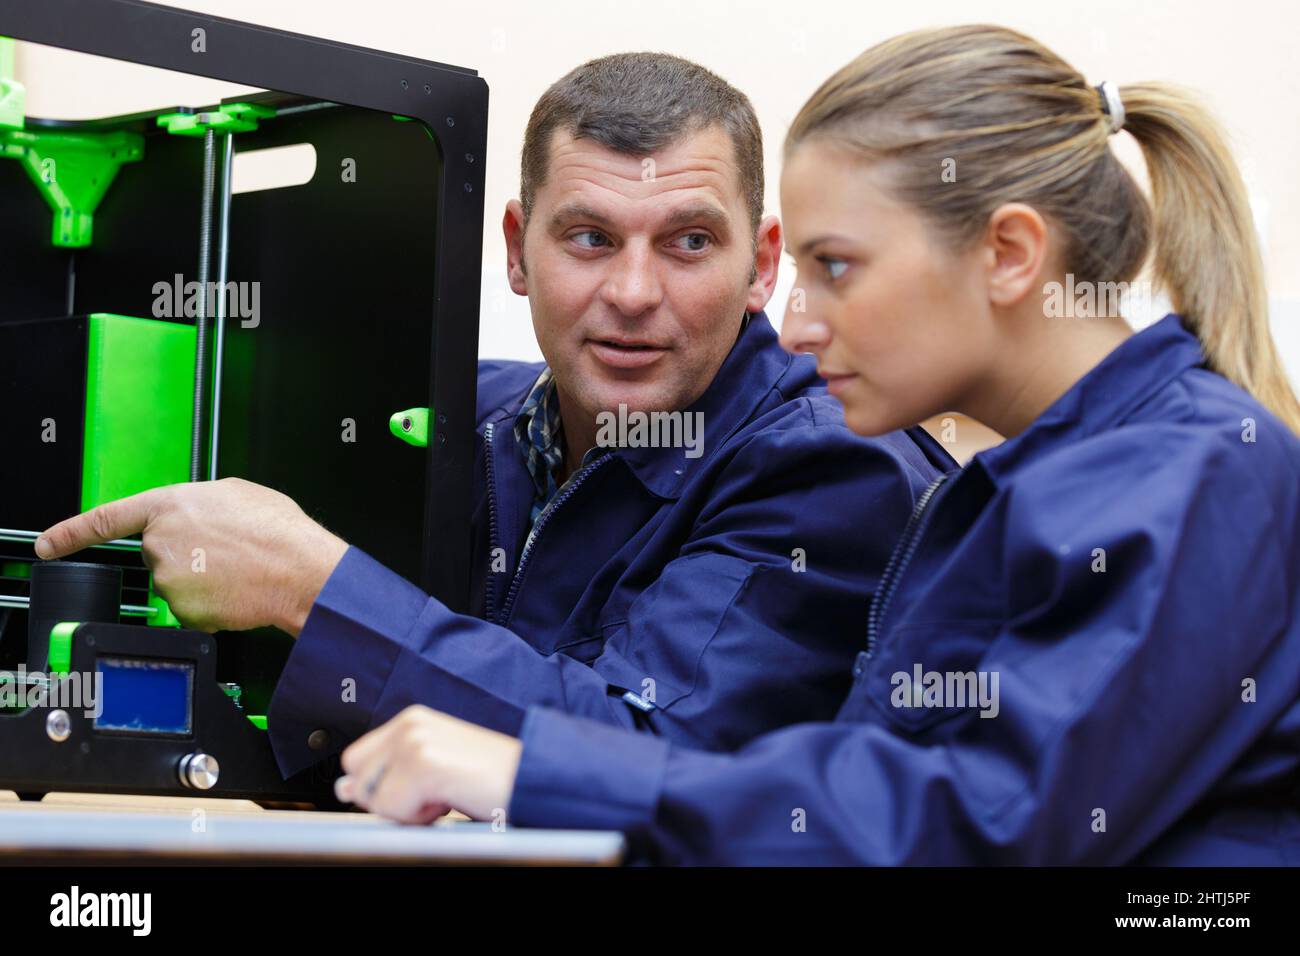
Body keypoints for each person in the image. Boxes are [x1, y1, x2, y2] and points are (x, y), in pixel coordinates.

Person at [329, 24, 1300, 865]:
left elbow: (965, 829)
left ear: (1006, 255)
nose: (794, 322)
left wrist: (534, 766)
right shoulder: (1022, 478)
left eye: (836, 267)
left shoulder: (1192, 475)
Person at [33, 53, 952, 777]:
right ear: (517, 250)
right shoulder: (461, 419)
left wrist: (311, 590)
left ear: (761, 266)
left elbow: (648, 755)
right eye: (589, 238)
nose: (633, 293)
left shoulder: (832, 467)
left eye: (690, 242)